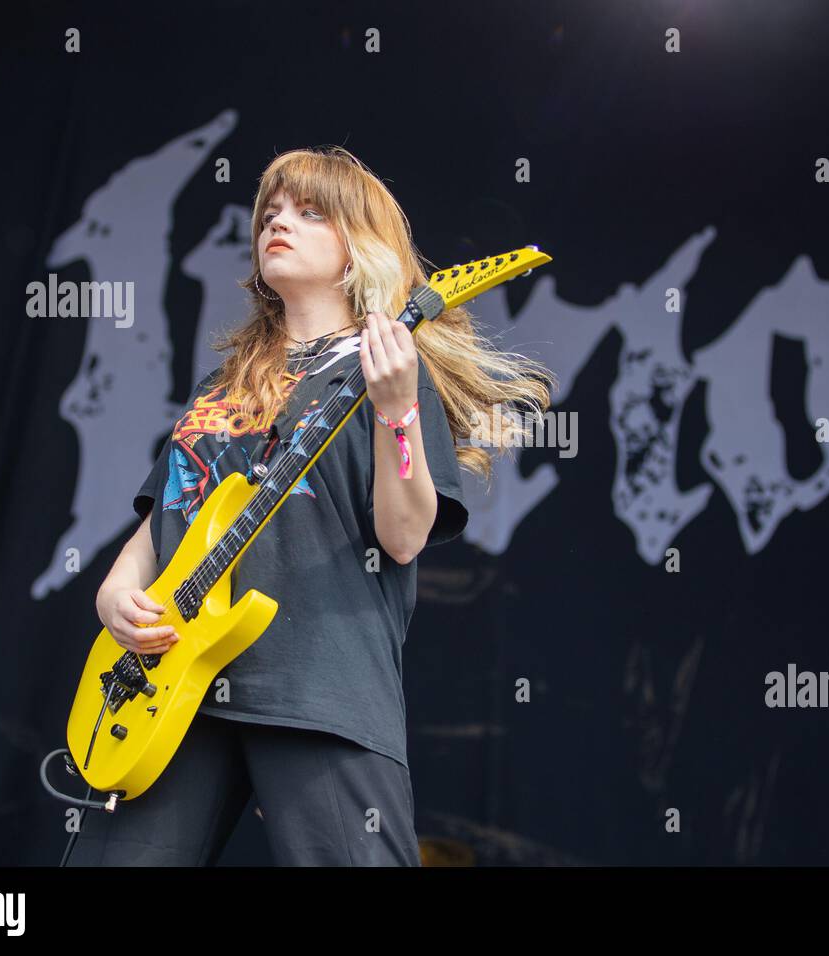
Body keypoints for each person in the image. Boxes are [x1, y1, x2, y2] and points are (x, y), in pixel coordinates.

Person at [65, 146, 552, 866]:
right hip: (169, 683)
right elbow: (169, 511)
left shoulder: (391, 369)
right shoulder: (223, 382)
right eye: (270, 213)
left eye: (309, 211)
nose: (277, 224)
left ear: (358, 246)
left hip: (317, 682)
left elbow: (407, 533)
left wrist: (395, 412)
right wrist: (115, 589)